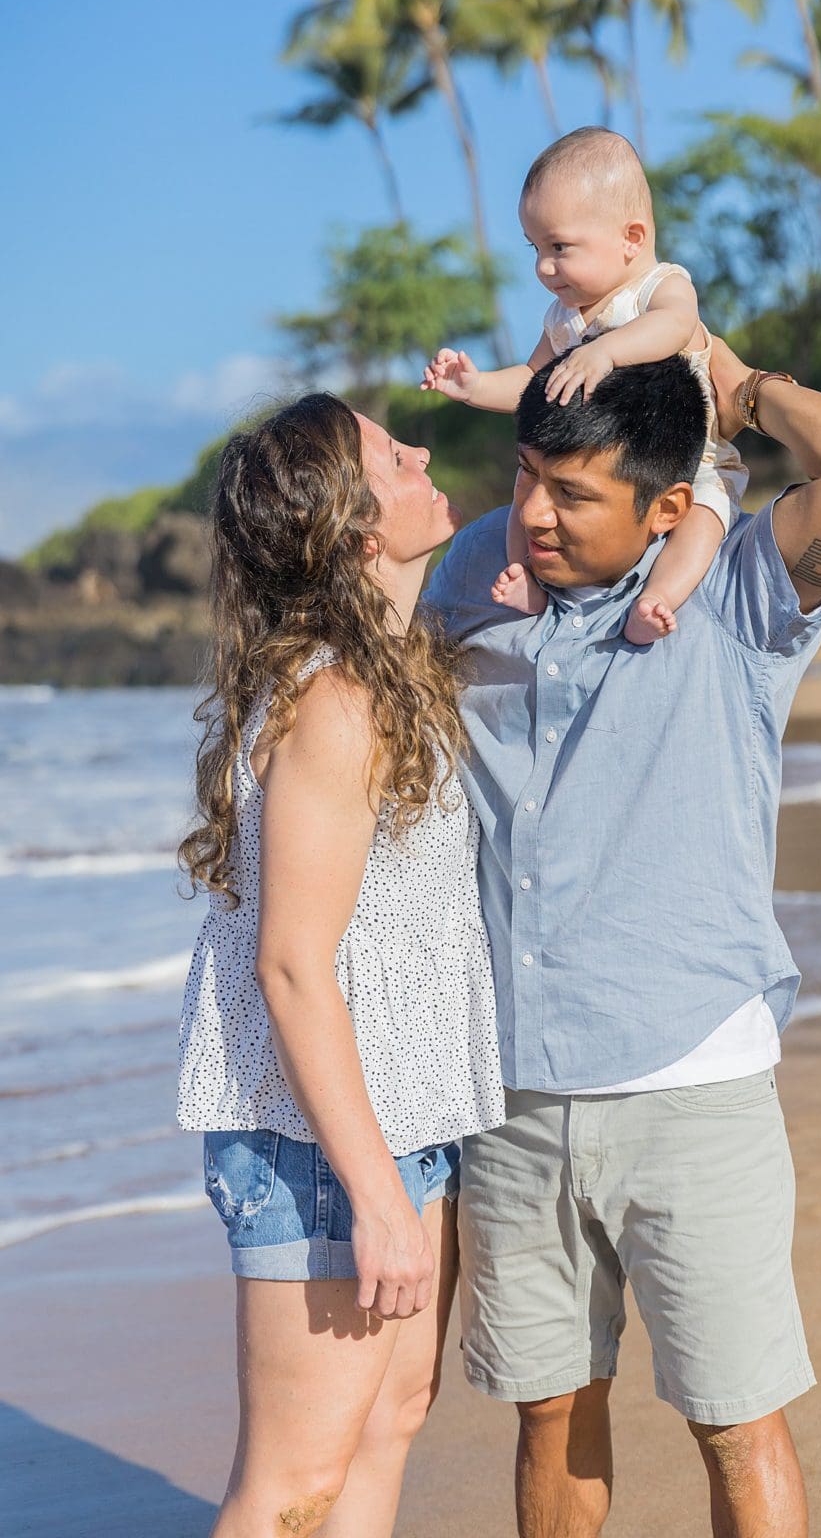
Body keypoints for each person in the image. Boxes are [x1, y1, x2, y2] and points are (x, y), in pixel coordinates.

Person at [421, 343, 821, 1537]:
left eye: (572, 492)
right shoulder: (475, 569)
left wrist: (738, 387)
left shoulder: (739, 592)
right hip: (515, 1091)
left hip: (691, 1083)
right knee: (547, 1414)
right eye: (525, 474)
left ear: (667, 509)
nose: (532, 512)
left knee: (735, 1419)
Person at [176, 393, 506, 1538]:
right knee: (292, 1488)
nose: (420, 453)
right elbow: (292, 967)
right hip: (322, 1142)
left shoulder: (388, 671)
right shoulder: (336, 698)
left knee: (388, 1418)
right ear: (353, 524)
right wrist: (373, 1192)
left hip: (392, 1115)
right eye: (388, 453)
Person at [421, 126, 747, 645]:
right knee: (528, 491)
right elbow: (533, 382)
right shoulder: (564, 318)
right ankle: (526, 581)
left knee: (707, 515)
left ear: (631, 239)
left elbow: (676, 328)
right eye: (535, 249)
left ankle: (659, 597)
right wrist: (475, 387)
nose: (544, 268)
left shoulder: (659, 288)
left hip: (691, 457)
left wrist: (606, 350)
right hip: (590, 456)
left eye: (559, 247)